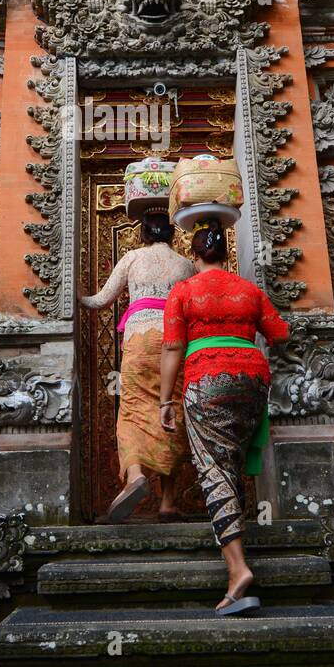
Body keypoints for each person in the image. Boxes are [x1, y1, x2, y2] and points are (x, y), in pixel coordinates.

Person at [160, 218, 289, 614]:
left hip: (206, 377)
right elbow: (280, 333)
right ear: (226, 253)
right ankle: (235, 555)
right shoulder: (249, 290)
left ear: (194, 254)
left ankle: (238, 569)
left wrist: (165, 400)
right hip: (251, 378)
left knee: (213, 470)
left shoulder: (183, 291)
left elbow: (171, 348)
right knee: (228, 463)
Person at [79, 212, 194, 522]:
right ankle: (168, 503)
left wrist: (73, 294)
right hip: (174, 343)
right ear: (172, 235)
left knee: (131, 409)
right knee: (172, 412)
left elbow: (100, 301)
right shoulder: (186, 265)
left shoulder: (132, 258)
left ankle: (134, 476)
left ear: (143, 234)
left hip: (140, 342)